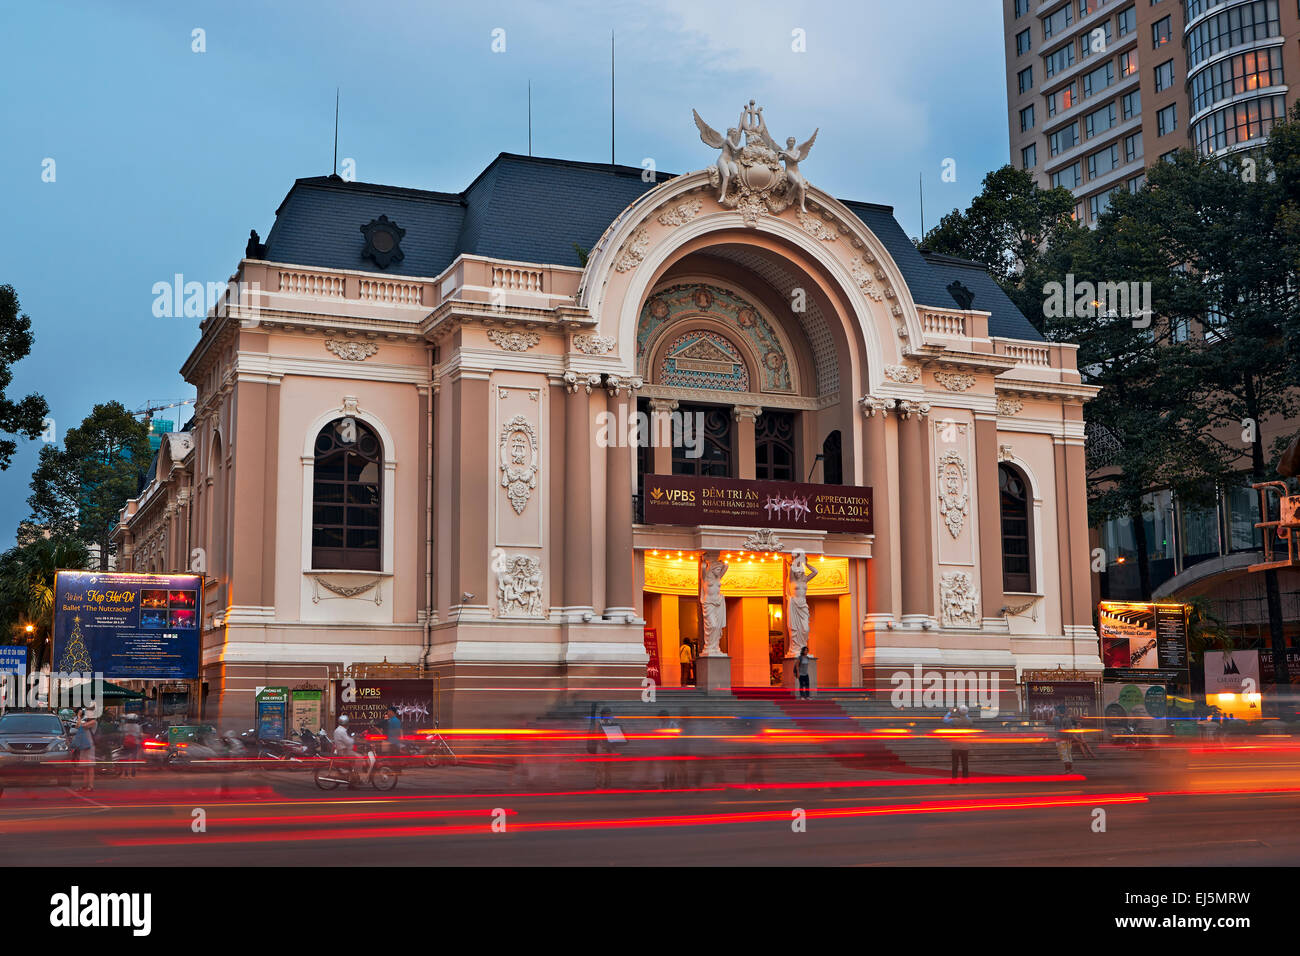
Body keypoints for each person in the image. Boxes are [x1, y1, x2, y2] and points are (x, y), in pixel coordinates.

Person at [332, 714, 370, 788]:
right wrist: (356, 740)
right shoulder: (341, 731)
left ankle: (352, 780)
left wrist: (353, 738)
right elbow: (348, 741)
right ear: (345, 723)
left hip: (344, 750)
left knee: (357, 757)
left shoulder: (338, 730)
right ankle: (357, 777)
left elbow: (346, 739)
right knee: (360, 758)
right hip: (344, 752)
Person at [944, 704, 973, 780]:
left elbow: (945, 720)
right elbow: (966, 717)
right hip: (966, 746)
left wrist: (950, 712)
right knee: (965, 763)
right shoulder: (970, 720)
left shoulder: (955, 720)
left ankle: (954, 778)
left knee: (955, 764)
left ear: (959, 712)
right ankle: (965, 778)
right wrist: (964, 712)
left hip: (955, 745)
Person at [72, 708, 97, 792]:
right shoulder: (85, 721)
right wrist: (79, 717)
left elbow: (80, 725)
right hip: (84, 745)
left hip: (90, 746)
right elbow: (77, 726)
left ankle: (91, 786)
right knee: (85, 767)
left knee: (90, 767)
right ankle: (85, 785)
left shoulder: (94, 722)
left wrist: (79, 716)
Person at [1052, 704, 1075, 772]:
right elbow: (1070, 729)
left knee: (1064, 755)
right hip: (1068, 739)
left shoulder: (1056, 718)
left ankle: (1067, 769)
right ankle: (1070, 768)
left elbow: (1050, 720)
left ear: (1058, 711)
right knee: (1068, 754)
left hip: (1061, 739)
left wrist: (1054, 713)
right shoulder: (1068, 719)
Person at [120, 714, 142, 778]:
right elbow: (140, 735)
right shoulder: (138, 726)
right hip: (135, 744)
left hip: (126, 744)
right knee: (134, 758)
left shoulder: (124, 726)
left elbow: (121, 734)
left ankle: (126, 772)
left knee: (126, 758)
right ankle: (133, 772)